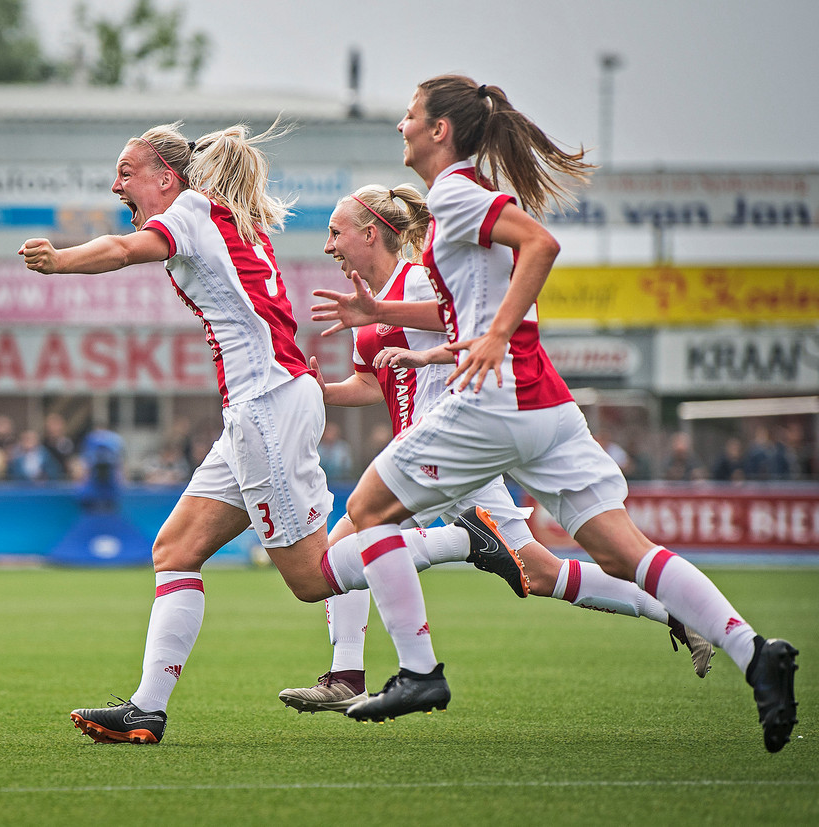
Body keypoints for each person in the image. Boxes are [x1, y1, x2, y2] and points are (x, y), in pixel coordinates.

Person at [311, 75, 796, 752]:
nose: (401, 124)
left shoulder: (452, 190)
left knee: (362, 518)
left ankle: (420, 666)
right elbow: (497, 292)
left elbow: (542, 245)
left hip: (490, 405)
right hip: (545, 405)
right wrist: (407, 324)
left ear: (440, 130)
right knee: (624, 552)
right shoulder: (465, 198)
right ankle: (755, 651)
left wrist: (492, 337)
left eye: (411, 114)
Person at [17, 121, 509, 745]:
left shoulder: (193, 211)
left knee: (310, 578)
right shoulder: (226, 218)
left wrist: (60, 261)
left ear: (167, 178)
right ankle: (146, 709)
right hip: (261, 407)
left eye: (126, 169)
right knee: (174, 550)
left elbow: (120, 250)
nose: (116, 182)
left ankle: (464, 543)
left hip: (267, 406)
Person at [278, 185, 712, 714]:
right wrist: (318, 392)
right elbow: (371, 384)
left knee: (352, 540)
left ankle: (376, 643)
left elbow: (465, 321)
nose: (329, 246)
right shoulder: (368, 303)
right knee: (542, 573)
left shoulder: (413, 280)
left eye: (335, 232)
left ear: (370, 233)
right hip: (436, 456)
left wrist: (382, 317)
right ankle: (673, 607)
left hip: (451, 446)